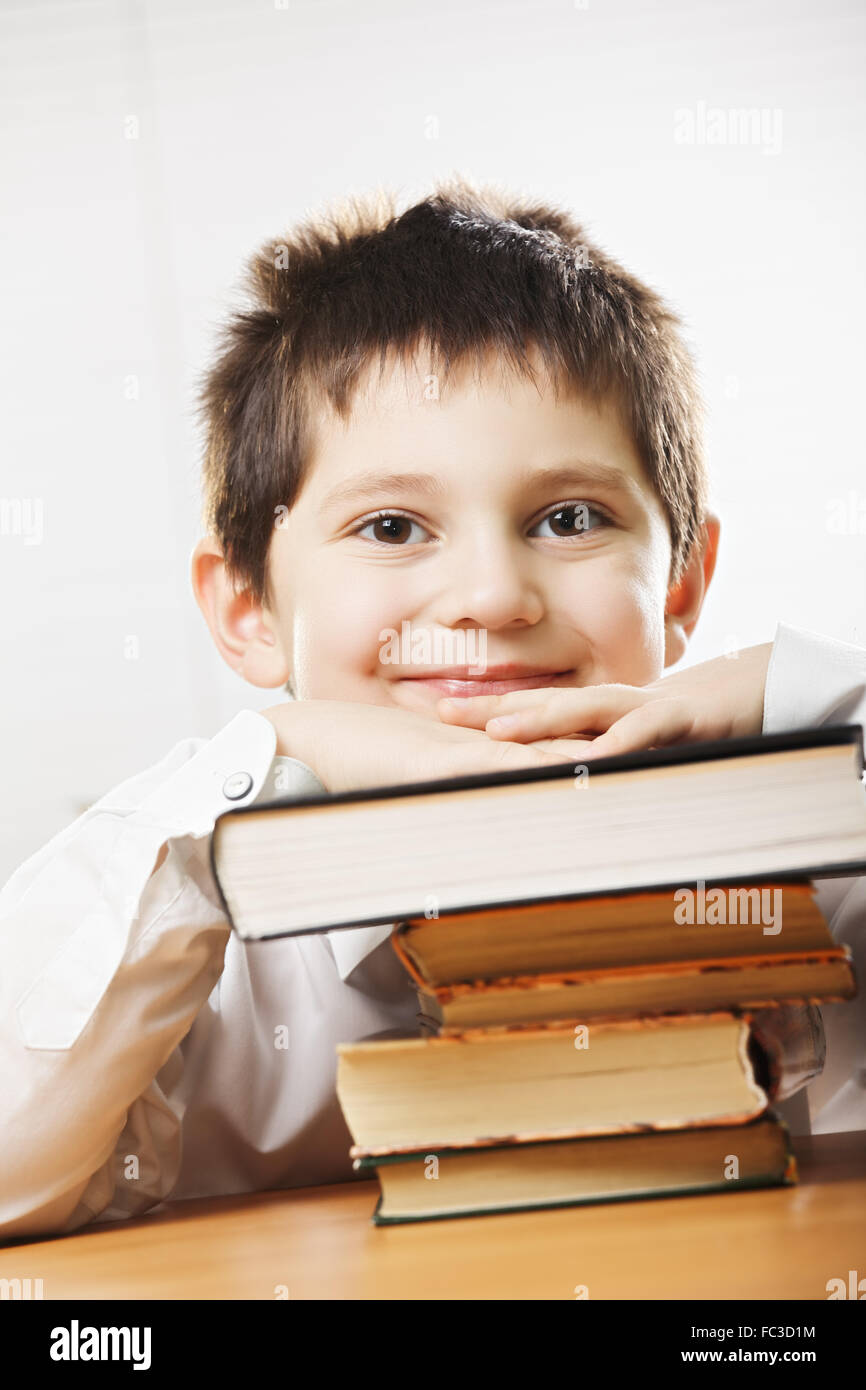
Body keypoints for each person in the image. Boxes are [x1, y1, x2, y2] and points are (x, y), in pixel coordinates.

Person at [1, 179, 864, 1243]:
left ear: (679, 586)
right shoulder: (192, 964)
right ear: (247, 610)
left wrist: (817, 698)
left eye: (566, 516)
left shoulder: (815, 867)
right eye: (394, 527)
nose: (493, 598)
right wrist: (258, 761)